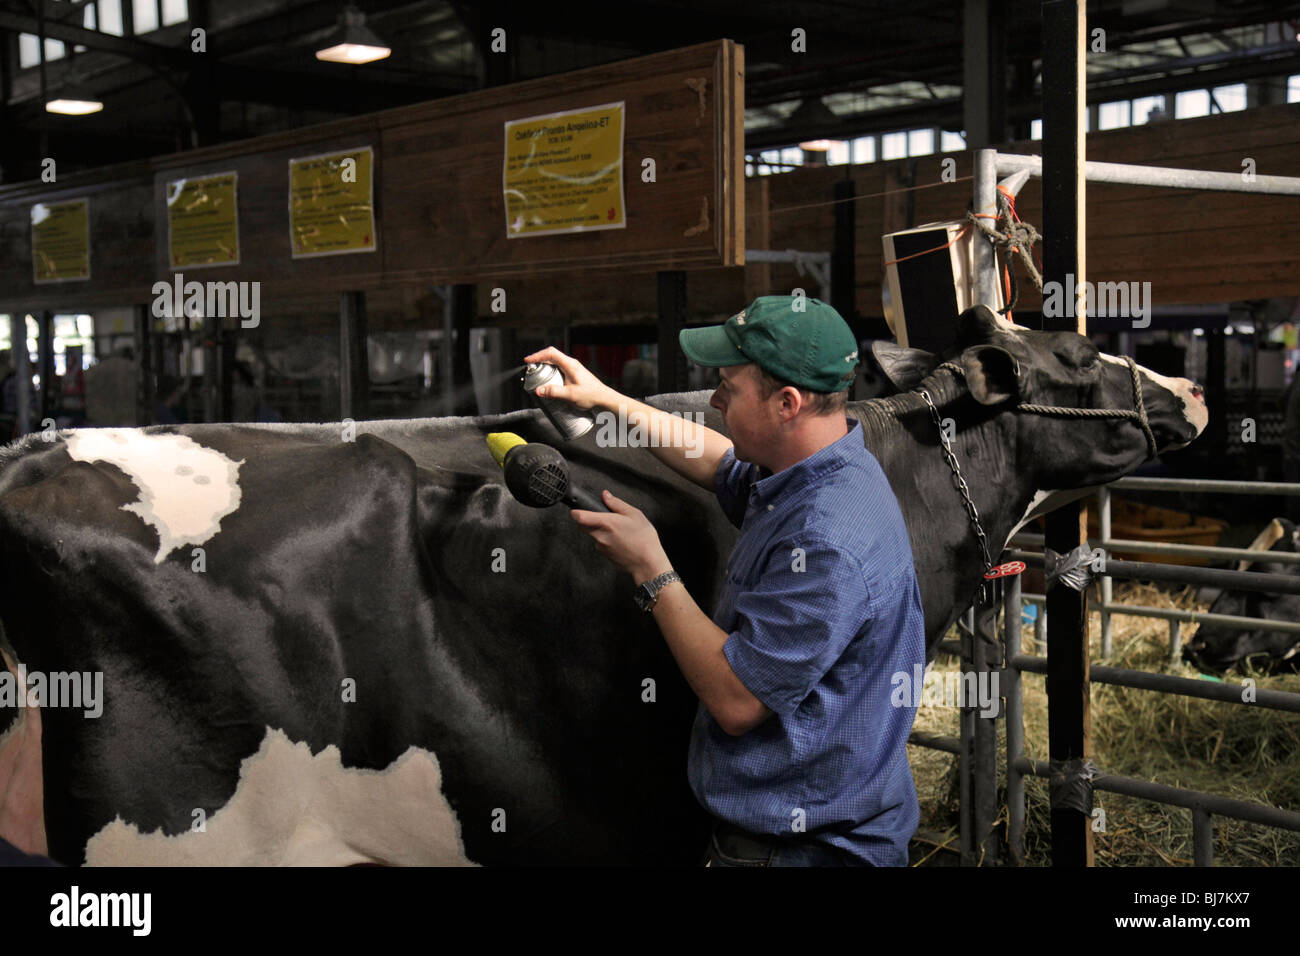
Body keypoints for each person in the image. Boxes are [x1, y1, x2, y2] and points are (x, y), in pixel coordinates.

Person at [524, 295, 926, 867]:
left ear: (787, 403)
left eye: (729, 389)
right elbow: (718, 462)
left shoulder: (828, 538)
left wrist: (651, 569)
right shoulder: (818, 469)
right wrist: (608, 401)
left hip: (804, 852)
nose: (712, 400)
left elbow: (737, 699)